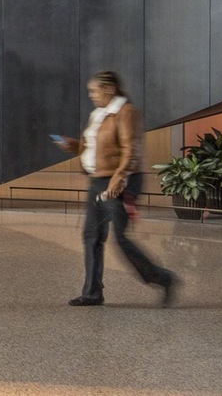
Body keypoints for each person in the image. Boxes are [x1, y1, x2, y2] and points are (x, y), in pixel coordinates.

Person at [58, 70, 176, 307]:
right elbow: (95, 149)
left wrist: (119, 178)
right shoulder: (99, 115)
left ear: (110, 89)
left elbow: (130, 149)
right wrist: (76, 147)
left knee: (120, 238)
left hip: (119, 181)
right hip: (98, 180)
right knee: (91, 236)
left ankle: (164, 279)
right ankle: (92, 293)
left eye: (94, 90)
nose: (91, 95)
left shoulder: (125, 112)